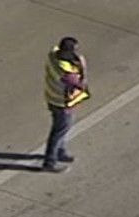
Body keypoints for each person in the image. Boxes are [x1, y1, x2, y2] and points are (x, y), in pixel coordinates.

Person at [43, 36, 90, 172]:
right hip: (62, 104)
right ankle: (49, 162)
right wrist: (83, 65)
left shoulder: (53, 55)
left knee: (61, 128)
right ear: (66, 52)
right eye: (74, 51)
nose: (76, 54)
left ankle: (60, 151)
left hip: (52, 99)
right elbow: (81, 84)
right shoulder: (65, 72)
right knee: (59, 131)